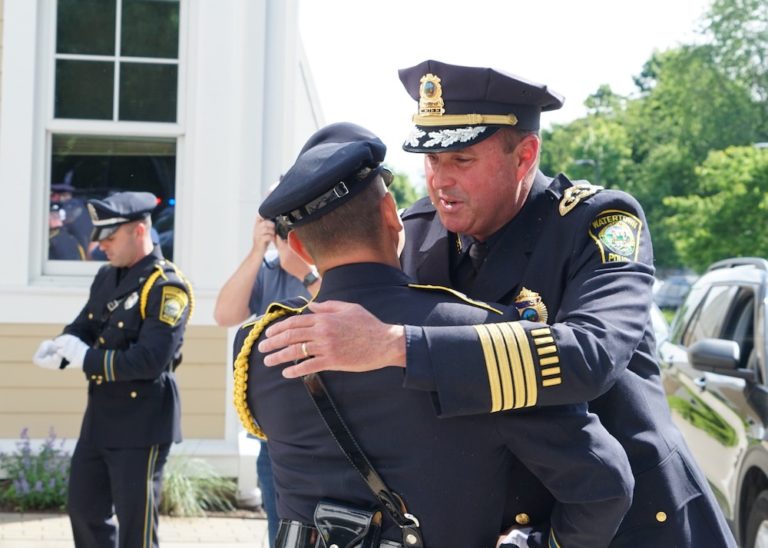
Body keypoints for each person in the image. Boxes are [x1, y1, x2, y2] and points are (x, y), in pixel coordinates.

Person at [256, 60, 737, 547]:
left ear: (524, 155)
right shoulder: (418, 230)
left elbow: (591, 357)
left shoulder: (597, 224)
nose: (440, 181)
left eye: (461, 160)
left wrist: (396, 345)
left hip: (631, 518)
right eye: (431, 160)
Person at [233, 122, 634, 548]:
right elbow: (605, 487)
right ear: (392, 215)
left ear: (297, 247)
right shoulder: (481, 334)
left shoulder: (259, 348)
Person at [32, 191, 193, 548]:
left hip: (142, 422)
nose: (101, 246)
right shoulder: (108, 276)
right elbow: (85, 326)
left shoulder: (167, 286)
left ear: (138, 231)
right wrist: (60, 349)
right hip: (101, 418)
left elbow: (150, 360)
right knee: (84, 510)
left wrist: (85, 358)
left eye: (109, 237)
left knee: (136, 528)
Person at [214, 183, 319, 547]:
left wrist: (305, 272)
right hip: (276, 433)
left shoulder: (326, 264)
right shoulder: (268, 269)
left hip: (327, 430)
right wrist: (258, 249)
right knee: (283, 535)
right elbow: (225, 313)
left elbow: (349, 304)